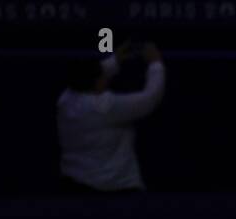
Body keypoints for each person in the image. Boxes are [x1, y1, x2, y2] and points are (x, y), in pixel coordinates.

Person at [57, 42, 165, 193]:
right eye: (102, 77)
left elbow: (87, 76)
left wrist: (115, 59)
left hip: (74, 186)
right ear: (96, 82)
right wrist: (155, 63)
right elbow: (150, 98)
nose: (106, 79)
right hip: (113, 189)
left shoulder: (66, 99)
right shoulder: (105, 107)